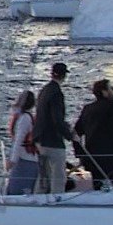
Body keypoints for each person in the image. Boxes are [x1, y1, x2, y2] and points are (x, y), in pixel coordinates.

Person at [73, 79, 113, 189]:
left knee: (97, 186)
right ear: (104, 92)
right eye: (111, 88)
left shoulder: (88, 109)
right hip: (110, 155)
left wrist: (81, 154)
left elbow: (76, 132)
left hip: (92, 156)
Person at [34, 62, 73, 193]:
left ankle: (40, 201)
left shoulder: (44, 91)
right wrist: (70, 135)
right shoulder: (57, 93)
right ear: (63, 76)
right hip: (53, 141)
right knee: (58, 176)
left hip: (40, 139)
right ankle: (58, 201)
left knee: (44, 176)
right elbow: (57, 120)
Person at [4, 90, 39, 195]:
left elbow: (19, 140)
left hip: (26, 160)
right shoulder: (23, 117)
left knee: (17, 190)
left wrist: (12, 160)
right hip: (25, 159)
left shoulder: (25, 119)